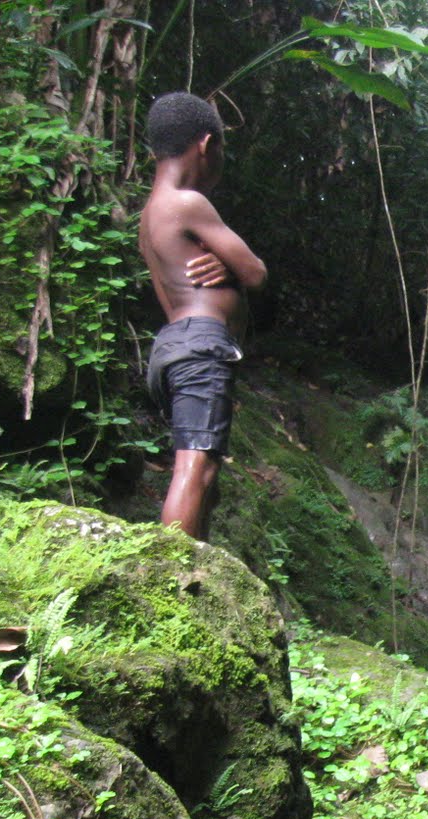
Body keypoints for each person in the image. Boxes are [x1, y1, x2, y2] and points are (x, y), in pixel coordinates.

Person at [139, 91, 267, 540]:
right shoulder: (188, 203)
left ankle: (197, 569)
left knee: (206, 476)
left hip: (175, 343)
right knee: (195, 465)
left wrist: (220, 262)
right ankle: (171, 579)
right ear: (206, 144)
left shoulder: (151, 215)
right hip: (200, 345)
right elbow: (255, 272)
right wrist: (232, 263)